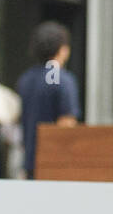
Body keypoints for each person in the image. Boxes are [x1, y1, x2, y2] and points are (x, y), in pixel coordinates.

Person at [16, 21, 80, 179]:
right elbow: (67, 123)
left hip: (29, 162)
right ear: (62, 49)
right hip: (55, 165)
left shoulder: (25, 79)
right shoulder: (62, 79)